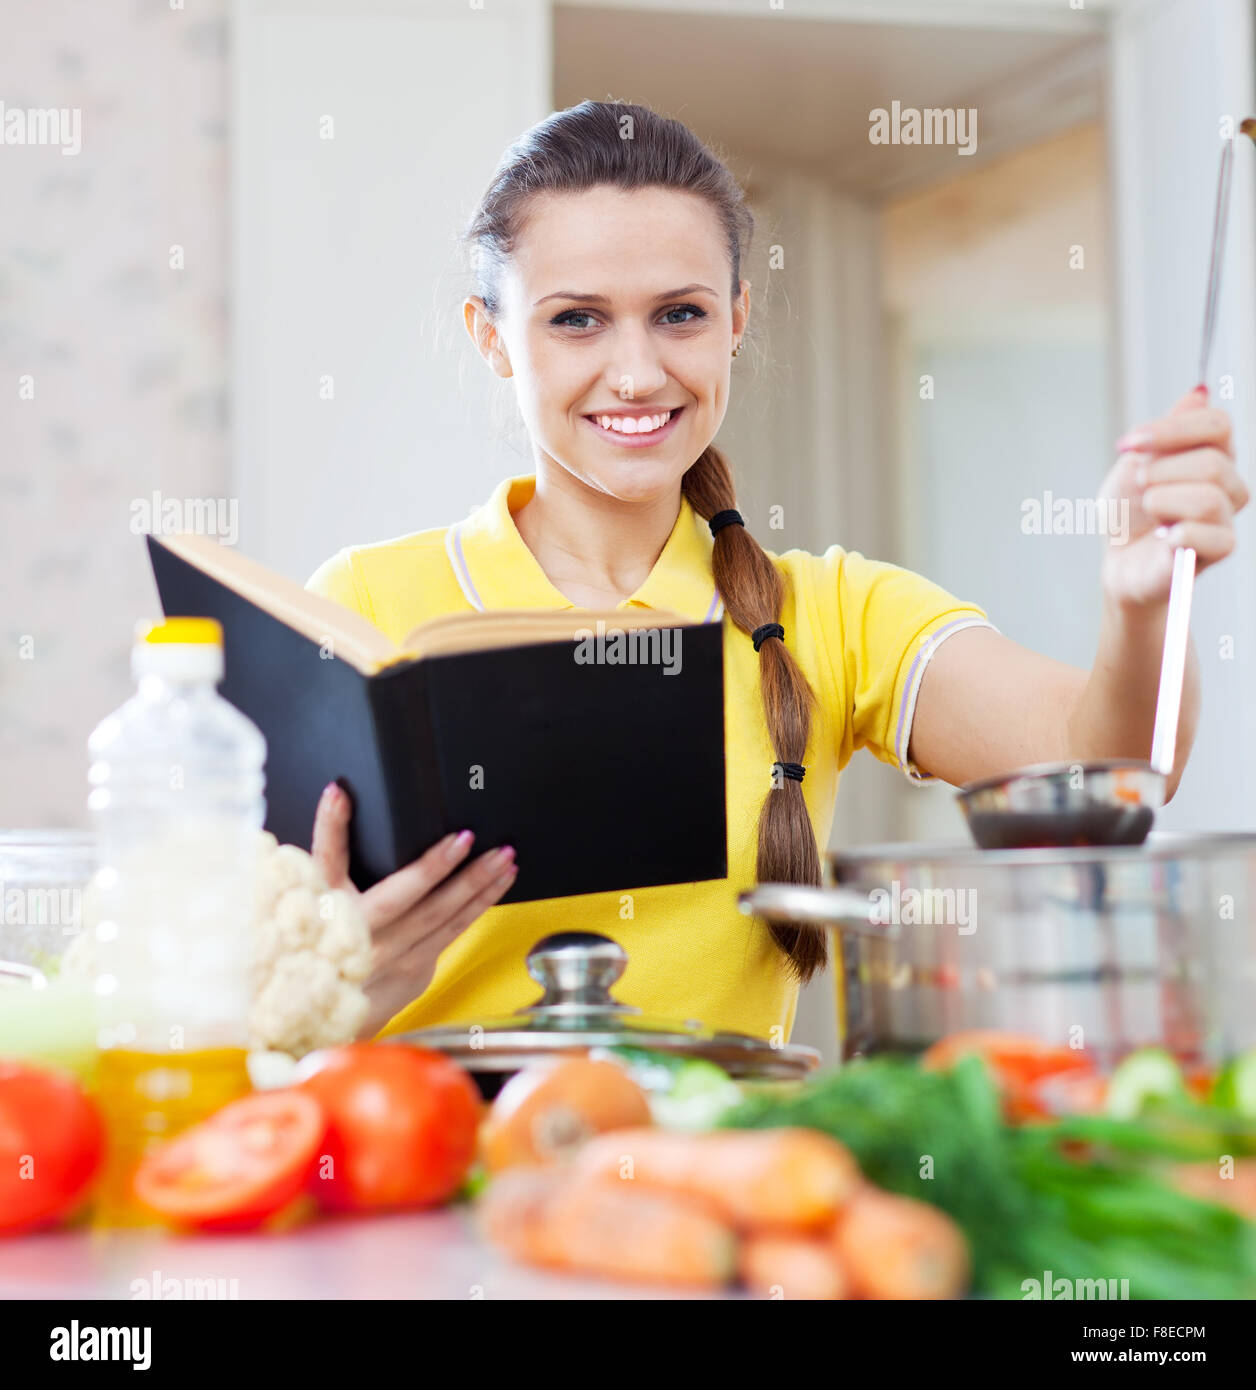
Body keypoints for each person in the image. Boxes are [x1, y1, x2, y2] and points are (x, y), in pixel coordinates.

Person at [305, 100, 1247, 1044]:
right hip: (425, 1180)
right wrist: (349, 984)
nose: (635, 374)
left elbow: (1114, 770)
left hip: (728, 1178)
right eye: (577, 320)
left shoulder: (833, 613)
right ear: (493, 336)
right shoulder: (366, 603)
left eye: (680, 315)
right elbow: (263, 994)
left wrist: (1145, 605)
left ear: (737, 319)